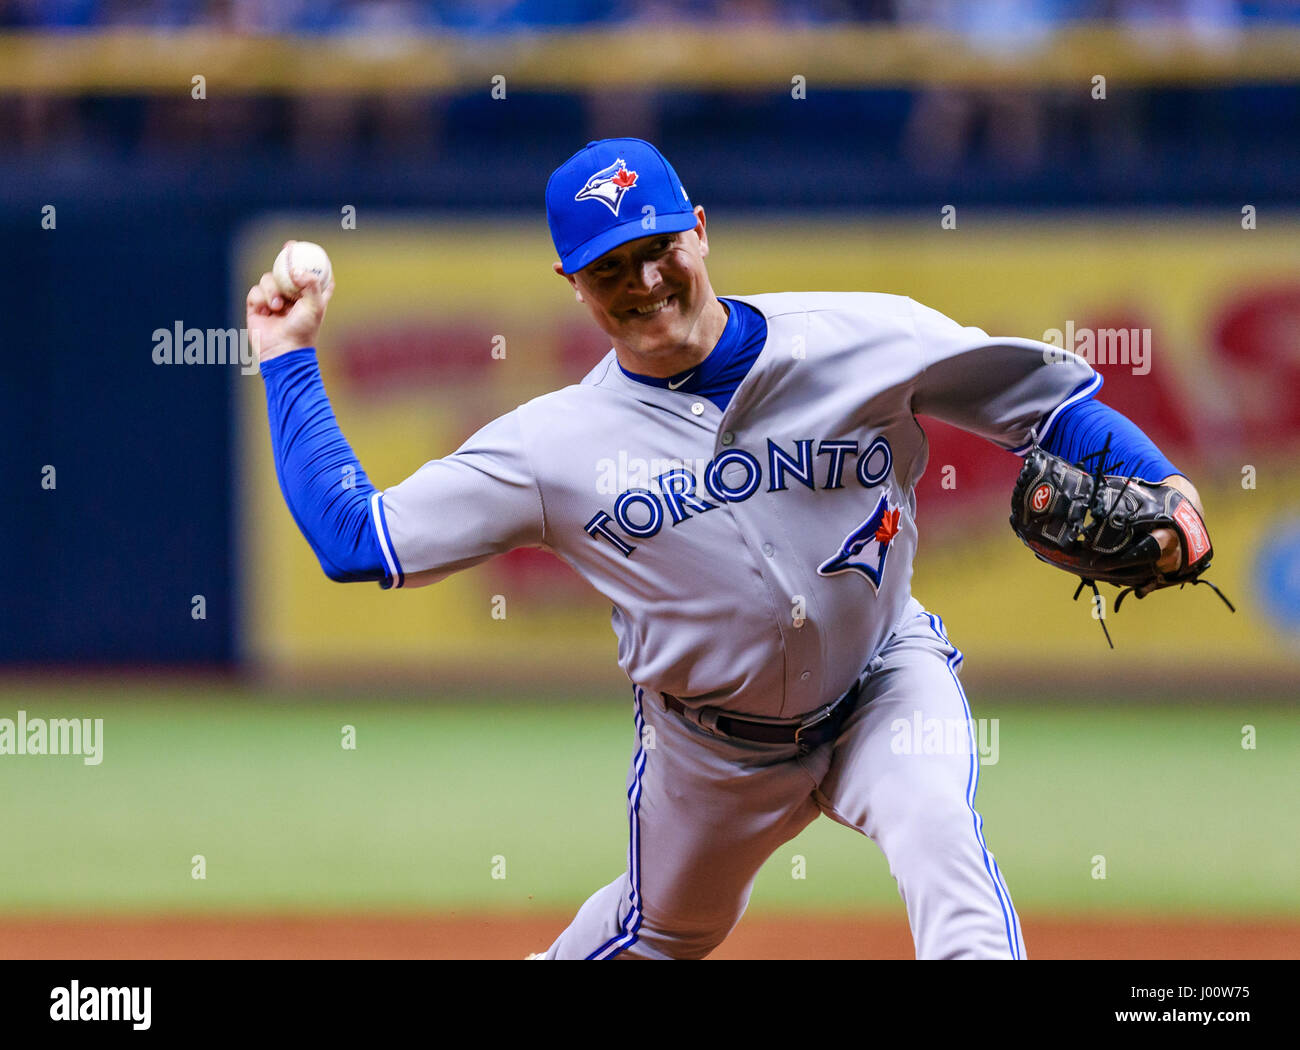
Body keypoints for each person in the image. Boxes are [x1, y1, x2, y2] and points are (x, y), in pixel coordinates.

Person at [247, 138, 1206, 960]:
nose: (644, 281)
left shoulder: (864, 338)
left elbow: (1051, 409)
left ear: (699, 228)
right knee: (661, 937)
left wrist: (1166, 493)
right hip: (712, 750)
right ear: (571, 282)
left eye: (658, 247)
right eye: (609, 267)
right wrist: (287, 355)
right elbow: (355, 537)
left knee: (942, 845)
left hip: (884, 680)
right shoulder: (553, 447)